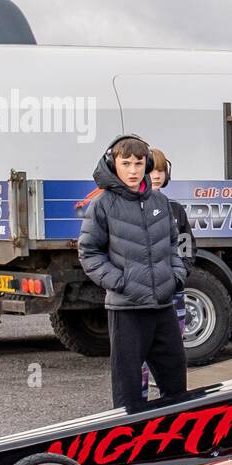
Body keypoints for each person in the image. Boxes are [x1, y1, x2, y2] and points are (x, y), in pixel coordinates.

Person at [78, 134, 188, 413]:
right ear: (112, 164)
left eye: (139, 163)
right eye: (125, 163)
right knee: (128, 394)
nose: (133, 170)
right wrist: (120, 282)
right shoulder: (102, 205)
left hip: (163, 305)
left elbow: (175, 245)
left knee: (177, 387)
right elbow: (89, 253)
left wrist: (175, 276)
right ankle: (130, 449)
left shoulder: (160, 203)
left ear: (147, 164)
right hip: (127, 309)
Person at [141, 148, 195, 397]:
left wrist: (178, 276)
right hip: (140, 298)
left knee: (172, 354)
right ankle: (137, 404)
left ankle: (171, 405)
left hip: (173, 296)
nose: (156, 175)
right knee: (138, 357)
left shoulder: (175, 210)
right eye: (152, 169)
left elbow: (186, 248)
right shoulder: (131, 209)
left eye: (161, 170)